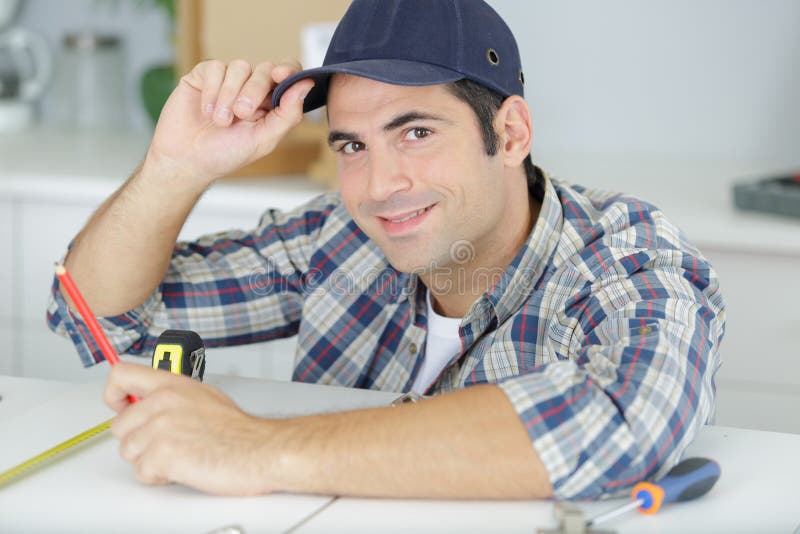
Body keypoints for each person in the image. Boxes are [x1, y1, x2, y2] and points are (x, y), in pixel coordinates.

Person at [47, 0, 725, 500]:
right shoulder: (337, 238)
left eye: (417, 132)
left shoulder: (626, 255)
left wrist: (259, 448)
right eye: (352, 145)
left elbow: (622, 419)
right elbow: (96, 310)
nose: (379, 187)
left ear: (511, 133)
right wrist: (175, 167)